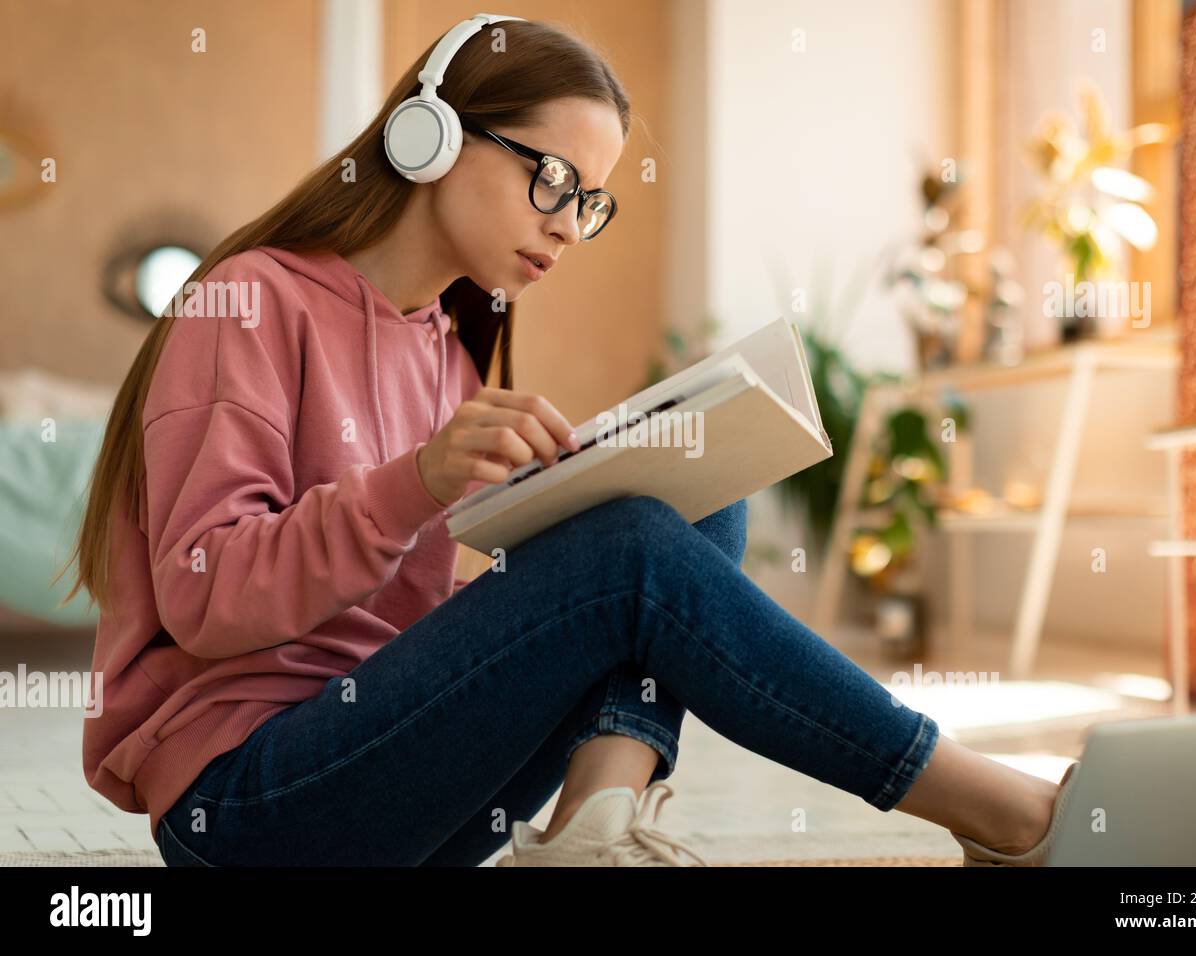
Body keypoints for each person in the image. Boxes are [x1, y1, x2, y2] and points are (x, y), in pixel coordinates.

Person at [59, 15, 1071, 867]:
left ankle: (592, 822)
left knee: (692, 485)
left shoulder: (448, 350)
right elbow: (204, 591)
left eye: (589, 201)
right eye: (552, 179)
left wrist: (533, 591)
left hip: (394, 788)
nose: (568, 224)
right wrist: (413, 484)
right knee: (630, 552)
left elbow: (381, 632)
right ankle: (990, 805)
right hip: (246, 803)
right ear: (429, 137)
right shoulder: (247, 302)